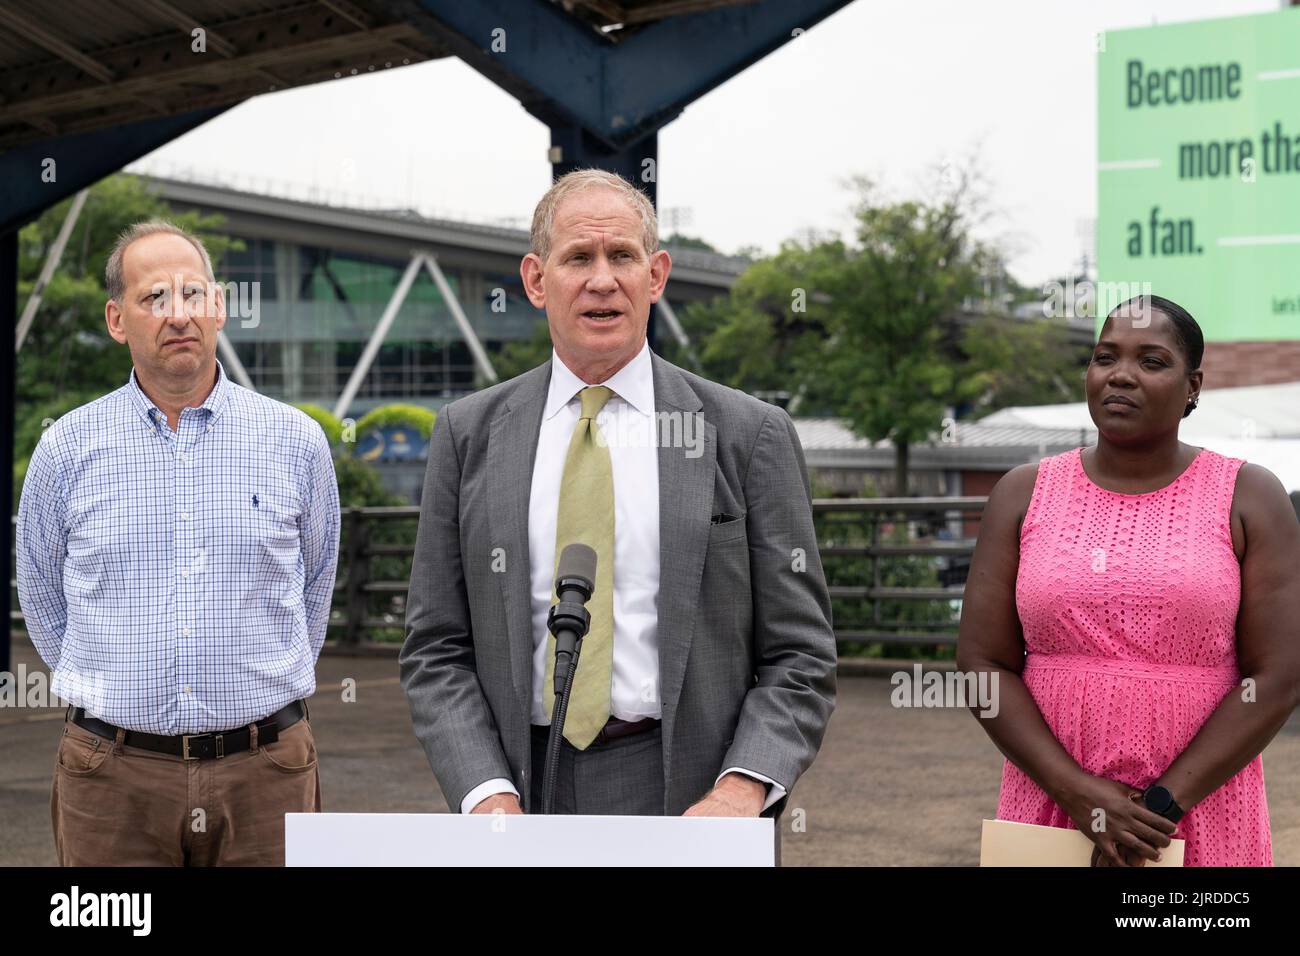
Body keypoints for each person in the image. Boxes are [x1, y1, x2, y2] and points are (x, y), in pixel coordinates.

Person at [399, 170, 836, 829]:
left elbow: (801, 653)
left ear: (655, 276)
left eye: (623, 256)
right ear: (536, 280)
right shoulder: (467, 435)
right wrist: (485, 791)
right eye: (578, 257)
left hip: (692, 793)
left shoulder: (748, 435)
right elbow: (435, 646)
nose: (602, 279)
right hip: (518, 788)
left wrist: (739, 793)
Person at [16, 220, 341, 866]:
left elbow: (316, 583)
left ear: (218, 306)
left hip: (266, 773)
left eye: (193, 293)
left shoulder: (296, 442)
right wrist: (113, 691)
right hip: (112, 780)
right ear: (117, 319)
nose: (178, 314)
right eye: (154, 298)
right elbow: (44, 597)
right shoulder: (67, 449)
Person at [957, 294, 1300, 867]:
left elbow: (1278, 676)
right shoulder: (1021, 493)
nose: (1121, 375)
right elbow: (981, 664)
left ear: (1193, 385)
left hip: (1199, 804)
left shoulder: (1249, 494)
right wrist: (1078, 793)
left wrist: (1158, 810)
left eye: (1152, 361)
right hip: (1053, 796)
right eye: (1105, 357)